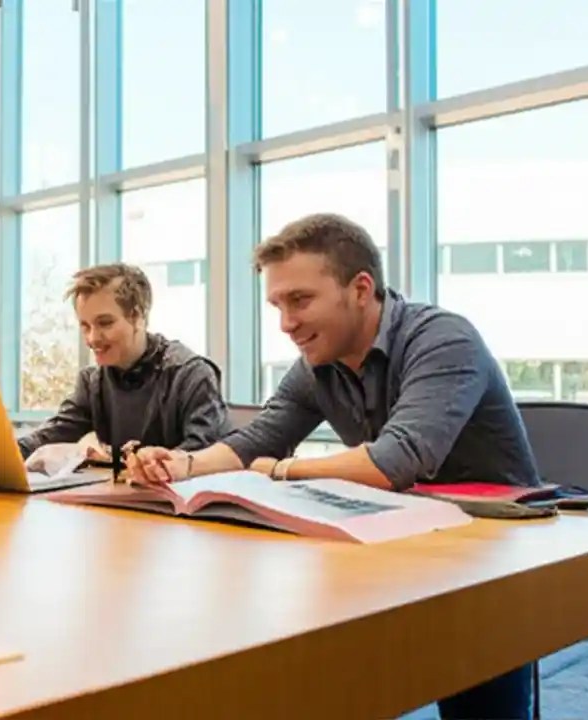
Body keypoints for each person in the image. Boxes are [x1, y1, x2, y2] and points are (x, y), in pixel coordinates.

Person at [128, 212, 541, 719]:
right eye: (278, 305)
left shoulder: (443, 339)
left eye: (300, 301)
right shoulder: (317, 366)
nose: (286, 324)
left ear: (361, 288)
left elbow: (396, 460)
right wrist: (183, 464)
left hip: (492, 554)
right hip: (399, 544)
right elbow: (257, 440)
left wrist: (281, 471)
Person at [17, 263, 231, 473]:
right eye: (85, 326)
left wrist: (154, 466)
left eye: (105, 323)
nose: (92, 338)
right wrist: (8, 452)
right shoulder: (93, 382)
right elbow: (53, 433)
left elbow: (206, 455)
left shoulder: (192, 375)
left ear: (137, 317)